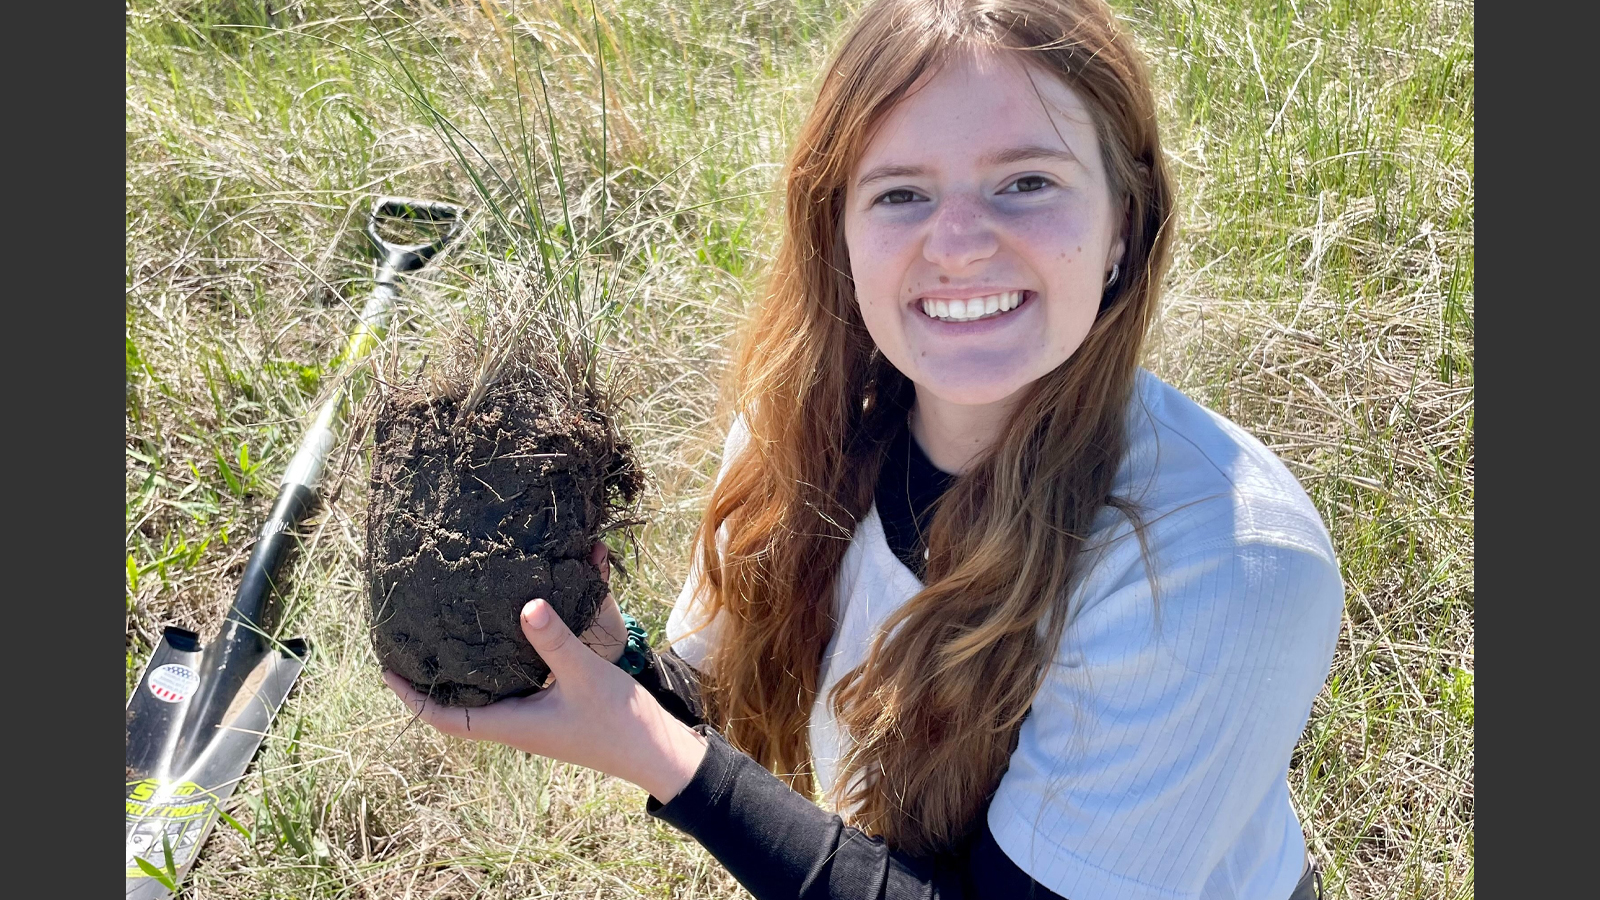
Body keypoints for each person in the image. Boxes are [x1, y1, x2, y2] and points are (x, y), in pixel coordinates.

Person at [383, 1, 1344, 897]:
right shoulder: (799, 432)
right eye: (900, 194)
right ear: (838, 232)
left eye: (1028, 181)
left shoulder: (1224, 560)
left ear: (1122, 228)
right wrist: (606, 661)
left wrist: (656, 755)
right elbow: (711, 684)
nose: (960, 243)